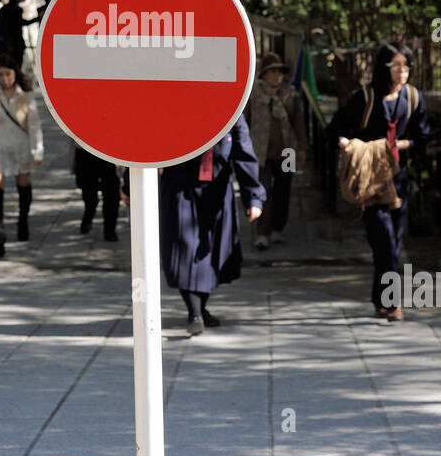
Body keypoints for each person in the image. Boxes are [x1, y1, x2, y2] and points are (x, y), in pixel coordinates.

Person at [127, 114, 265, 336]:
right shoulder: (175, 111)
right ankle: (195, 312)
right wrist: (130, 186)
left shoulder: (232, 113)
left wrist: (254, 197)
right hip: (180, 190)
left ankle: (200, 308)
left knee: (214, 254)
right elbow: (145, 144)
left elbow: (244, 153)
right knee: (183, 251)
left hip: (218, 192)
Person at [325, 43, 431, 321]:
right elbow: (333, 129)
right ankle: (391, 302)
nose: (402, 71)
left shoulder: (413, 98)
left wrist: (399, 145)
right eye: (396, 65)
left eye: (406, 65)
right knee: (383, 240)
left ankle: (381, 300)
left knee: (394, 243)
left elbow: (423, 138)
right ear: (384, 68)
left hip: (399, 178)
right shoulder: (365, 98)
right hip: (371, 180)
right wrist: (352, 146)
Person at [0, 53, 44, 258]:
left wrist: (37, 149)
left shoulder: (26, 95)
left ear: (15, 73)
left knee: (23, 182)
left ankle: (23, 219)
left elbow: (34, 125)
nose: (4, 79)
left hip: (20, 145)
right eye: (0, 75)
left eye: (8, 74)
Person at [245, 51, 307, 250]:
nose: (276, 76)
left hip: (287, 151)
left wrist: (303, 148)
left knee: (284, 190)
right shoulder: (253, 94)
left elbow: (298, 123)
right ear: (263, 74)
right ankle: (262, 232)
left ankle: (277, 228)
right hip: (260, 151)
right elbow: (245, 121)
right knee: (262, 191)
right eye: (272, 72)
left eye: (279, 72)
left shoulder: (290, 94)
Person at [73, 143, 121, 241]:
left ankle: (110, 229)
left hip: (110, 152)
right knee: (89, 194)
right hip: (86, 151)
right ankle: (88, 217)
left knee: (111, 196)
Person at [0, 0, 39, 69]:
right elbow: (18, 24)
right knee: (15, 69)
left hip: (8, 47)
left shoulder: (3, 9)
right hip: (15, 47)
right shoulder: (16, 10)